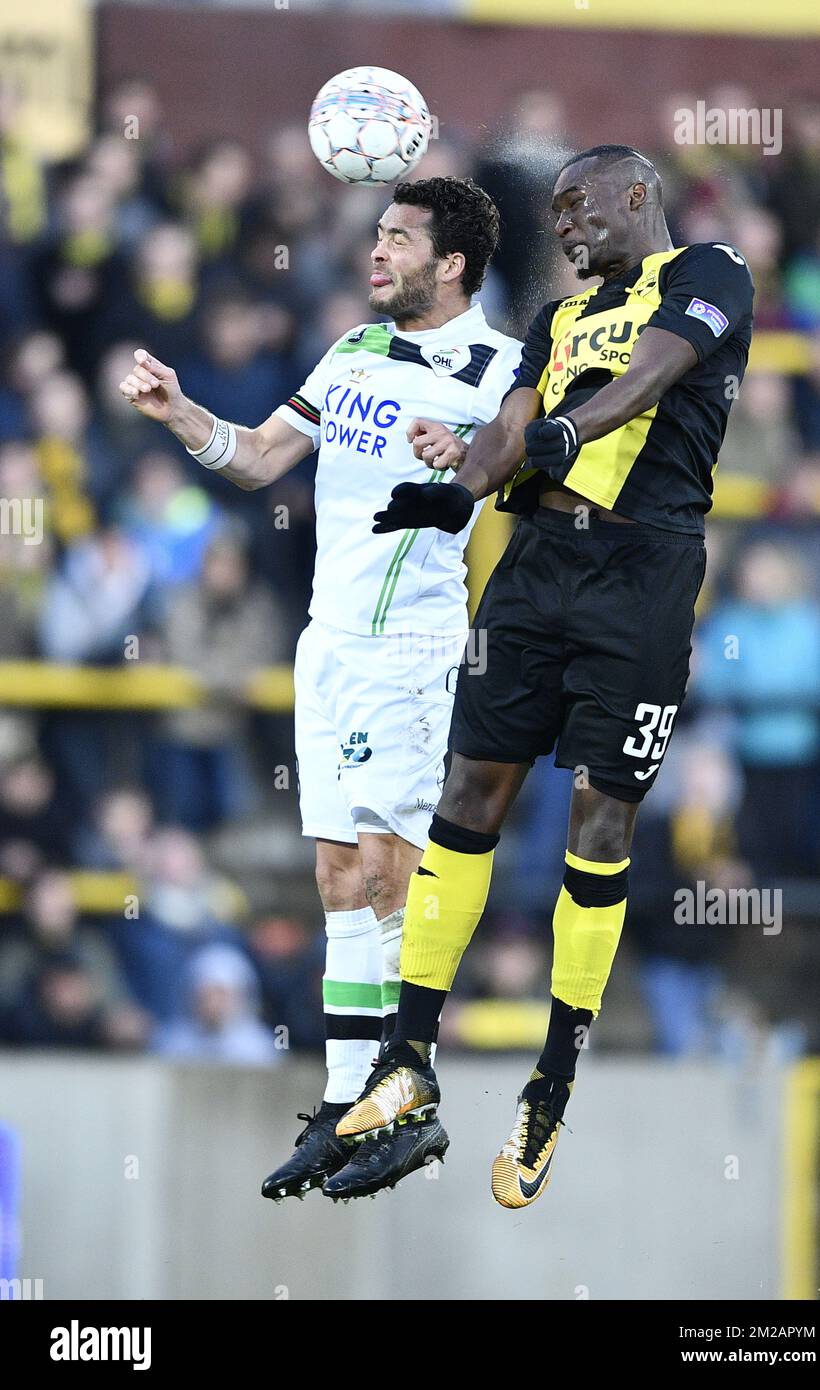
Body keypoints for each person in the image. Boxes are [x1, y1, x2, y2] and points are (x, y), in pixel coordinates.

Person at [331, 145, 754, 1205]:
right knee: (464, 797)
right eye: (554, 213)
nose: (562, 227)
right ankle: (405, 1056)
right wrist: (460, 488)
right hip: (535, 571)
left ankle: (551, 1085)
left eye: (578, 206)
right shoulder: (555, 320)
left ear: (636, 197)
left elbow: (650, 377)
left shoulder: (710, 271)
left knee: (596, 827)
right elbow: (510, 427)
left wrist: (552, 435)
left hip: (643, 573)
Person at [118, 176, 522, 1197]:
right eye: (376, 235)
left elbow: (547, 477)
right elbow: (257, 458)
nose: (375, 253)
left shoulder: (503, 366)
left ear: (453, 264)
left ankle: (409, 1098)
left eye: (396, 239)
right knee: (339, 874)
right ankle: (349, 1102)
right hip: (326, 644)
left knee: (394, 874)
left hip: (414, 647)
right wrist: (180, 415)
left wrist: (474, 459)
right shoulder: (351, 349)